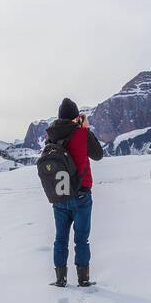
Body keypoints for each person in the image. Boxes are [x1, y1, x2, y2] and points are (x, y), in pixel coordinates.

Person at [45, 98, 103, 286]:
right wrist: (85, 129)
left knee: (60, 238)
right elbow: (98, 155)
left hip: (59, 195)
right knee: (81, 239)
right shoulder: (81, 134)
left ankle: (60, 279)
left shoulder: (51, 135)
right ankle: (83, 280)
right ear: (76, 117)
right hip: (81, 195)